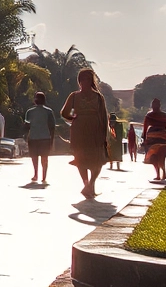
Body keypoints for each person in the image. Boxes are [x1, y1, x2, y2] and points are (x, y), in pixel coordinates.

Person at [61, 68, 111, 198]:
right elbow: (65, 112)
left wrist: (104, 134)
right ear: (79, 82)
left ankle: (90, 185)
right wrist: (74, 117)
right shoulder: (74, 96)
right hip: (79, 132)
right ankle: (87, 185)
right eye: (82, 79)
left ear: (92, 81)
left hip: (95, 131)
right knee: (80, 159)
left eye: (87, 79)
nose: (85, 82)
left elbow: (104, 117)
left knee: (98, 160)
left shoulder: (99, 97)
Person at [23, 91, 57, 185]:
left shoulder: (30, 112)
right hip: (45, 138)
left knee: (35, 157)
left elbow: (26, 125)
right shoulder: (49, 112)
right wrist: (51, 140)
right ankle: (43, 176)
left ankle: (36, 174)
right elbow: (52, 127)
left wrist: (26, 135)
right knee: (44, 158)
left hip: (34, 138)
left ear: (35, 100)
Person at [142, 100, 166, 182]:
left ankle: (158, 175)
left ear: (152, 106)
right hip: (163, 138)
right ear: (160, 106)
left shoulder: (149, 115)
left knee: (153, 157)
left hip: (152, 139)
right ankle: (163, 173)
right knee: (162, 156)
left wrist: (144, 140)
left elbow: (145, 128)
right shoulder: (165, 116)